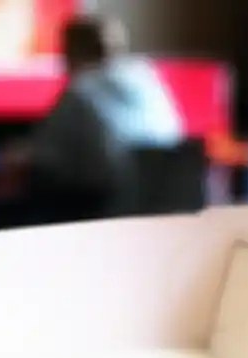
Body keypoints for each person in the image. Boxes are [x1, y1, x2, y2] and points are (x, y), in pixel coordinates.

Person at [29, 15, 183, 221]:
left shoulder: (80, 91)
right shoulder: (149, 80)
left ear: (71, 51)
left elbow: (43, 159)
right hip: (163, 215)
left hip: (101, 213)